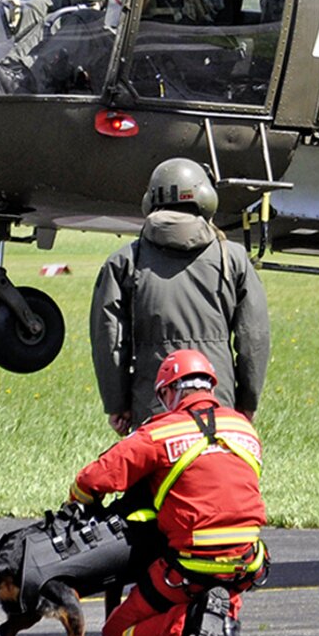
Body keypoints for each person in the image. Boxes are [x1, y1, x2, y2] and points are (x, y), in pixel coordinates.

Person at [68, 349, 266, 636]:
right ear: (210, 388)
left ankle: (193, 618)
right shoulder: (243, 428)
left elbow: (96, 476)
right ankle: (226, 621)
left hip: (189, 564)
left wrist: (77, 498)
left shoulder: (159, 432)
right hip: (247, 560)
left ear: (170, 391)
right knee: (225, 552)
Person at [91, 158, 269, 435]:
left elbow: (109, 339)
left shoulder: (124, 261)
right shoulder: (232, 259)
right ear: (207, 198)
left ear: (150, 201)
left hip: (153, 404)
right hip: (218, 402)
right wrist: (247, 401)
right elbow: (253, 338)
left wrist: (117, 402)